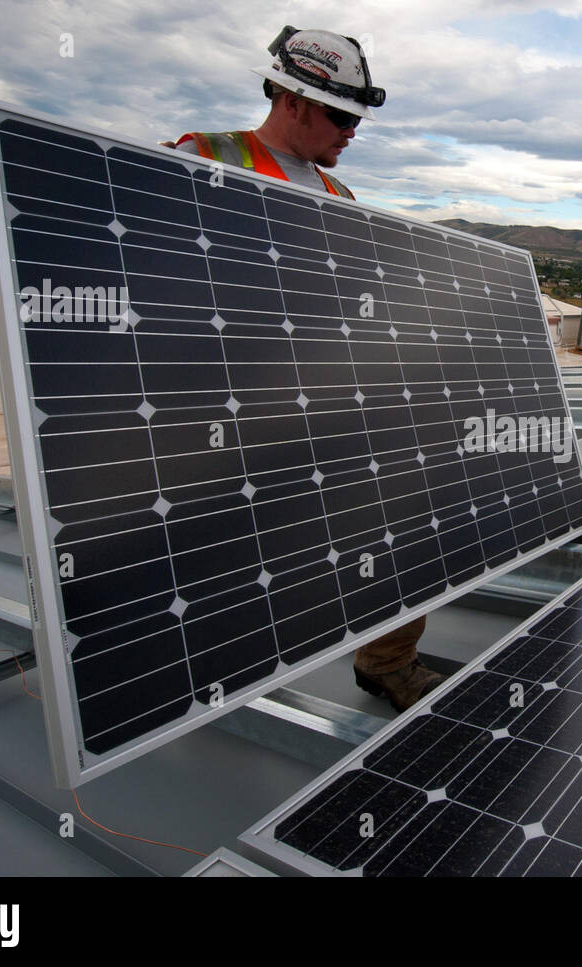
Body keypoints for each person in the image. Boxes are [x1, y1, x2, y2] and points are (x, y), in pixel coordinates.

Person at [172, 27, 442, 714]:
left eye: (357, 118)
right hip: (227, 406)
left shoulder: (338, 194)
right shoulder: (202, 157)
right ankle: (192, 669)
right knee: (228, 552)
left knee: (404, 510)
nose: (352, 132)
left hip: (316, 397)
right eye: (341, 115)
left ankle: (389, 660)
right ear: (292, 99)